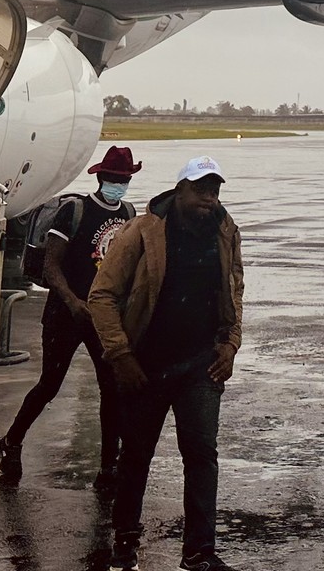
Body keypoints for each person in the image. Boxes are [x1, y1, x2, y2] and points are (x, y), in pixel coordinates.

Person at [90, 155, 244, 571]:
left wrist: (231, 344)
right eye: (200, 190)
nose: (208, 199)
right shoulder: (141, 231)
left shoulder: (226, 232)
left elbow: (235, 291)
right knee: (136, 455)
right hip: (146, 364)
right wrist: (120, 355)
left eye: (214, 191)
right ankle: (125, 538)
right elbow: (101, 296)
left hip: (201, 366)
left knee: (201, 454)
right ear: (179, 191)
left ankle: (199, 552)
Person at [0, 145, 143, 488]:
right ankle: (12, 441)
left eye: (123, 180)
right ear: (100, 177)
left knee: (111, 388)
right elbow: (52, 264)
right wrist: (72, 301)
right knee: (50, 384)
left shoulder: (128, 213)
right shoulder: (75, 211)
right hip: (66, 314)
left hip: (103, 317)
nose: (117, 185)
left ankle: (108, 467)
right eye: (113, 178)